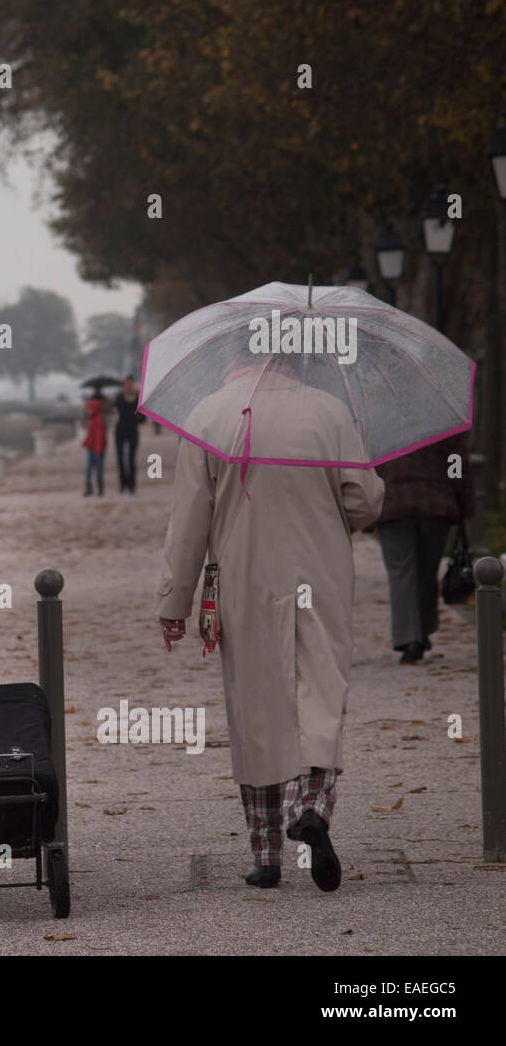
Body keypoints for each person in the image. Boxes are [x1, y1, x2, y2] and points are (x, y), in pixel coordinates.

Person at [154, 365, 384, 892]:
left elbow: (190, 517)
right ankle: (312, 808)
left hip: (245, 576)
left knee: (256, 706)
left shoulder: (208, 415)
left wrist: (175, 601)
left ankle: (266, 856)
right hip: (320, 571)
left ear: (232, 361)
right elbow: (365, 501)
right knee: (320, 692)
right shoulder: (329, 411)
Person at [375, 434, 474, 663]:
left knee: (401, 574)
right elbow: (456, 463)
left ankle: (409, 638)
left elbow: (373, 468)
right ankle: (423, 631)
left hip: (393, 506)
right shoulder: (445, 420)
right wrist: (463, 503)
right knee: (426, 574)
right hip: (434, 506)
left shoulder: (382, 422)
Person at [113, 376, 143, 494]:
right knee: (120, 459)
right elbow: (115, 412)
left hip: (132, 431)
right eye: (126, 384)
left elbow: (143, 417)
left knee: (131, 459)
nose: (128, 386)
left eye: (130, 384)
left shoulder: (138, 397)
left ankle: (132, 485)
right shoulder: (119, 397)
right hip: (120, 431)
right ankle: (123, 483)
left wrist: (136, 420)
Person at [83, 389, 107, 496]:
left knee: (97, 470)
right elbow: (90, 436)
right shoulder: (92, 420)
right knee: (90, 470)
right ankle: (90, 487)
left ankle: (99, 488)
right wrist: (86, 443)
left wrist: (98, 449)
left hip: (97, 450)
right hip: (91, 448)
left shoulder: (97, 421)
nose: (88, 411)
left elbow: (99, 437)